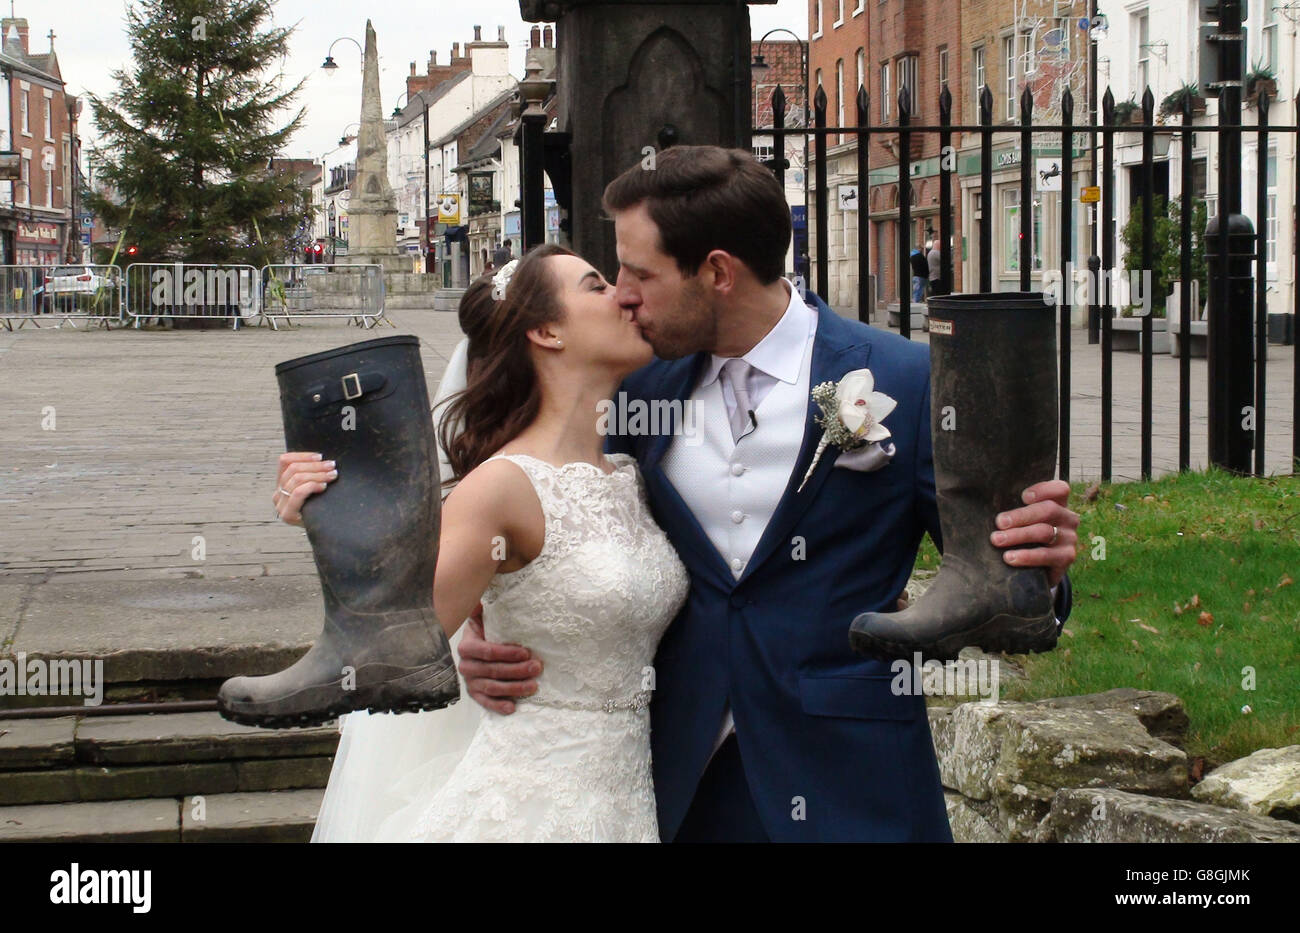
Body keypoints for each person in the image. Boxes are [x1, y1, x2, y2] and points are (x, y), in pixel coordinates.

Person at [457, 146, 1079, 842]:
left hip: (852, 781)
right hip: (676, 779)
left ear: (717, 272)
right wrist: (483, 626)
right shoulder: (634, 385)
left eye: (640, 272)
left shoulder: (904, 379)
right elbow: (540, 503)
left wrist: (1040, 572)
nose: (624, 293)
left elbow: (988, 578)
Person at [289, 244, 691, 841]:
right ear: (547, 330)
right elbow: (389, 645)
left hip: (623, 800)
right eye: (595, 285)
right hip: (528, 810)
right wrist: (333, 521)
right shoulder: (502, 487)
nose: (622, 296)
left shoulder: (628, 477)